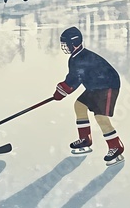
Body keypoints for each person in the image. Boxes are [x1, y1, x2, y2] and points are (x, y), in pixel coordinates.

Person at [52, 26, 125, 166]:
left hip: (108, 85)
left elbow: (74, 80)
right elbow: (74, 77)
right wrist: (62, 90)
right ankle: (85, 139)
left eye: (65, 44)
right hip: (94, 86)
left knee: (100, 117)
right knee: (79, 106)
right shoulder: (75, 58)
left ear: (74, 43)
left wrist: (61, 91)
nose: (64, 47)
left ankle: (116, 147)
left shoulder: (82, 58)